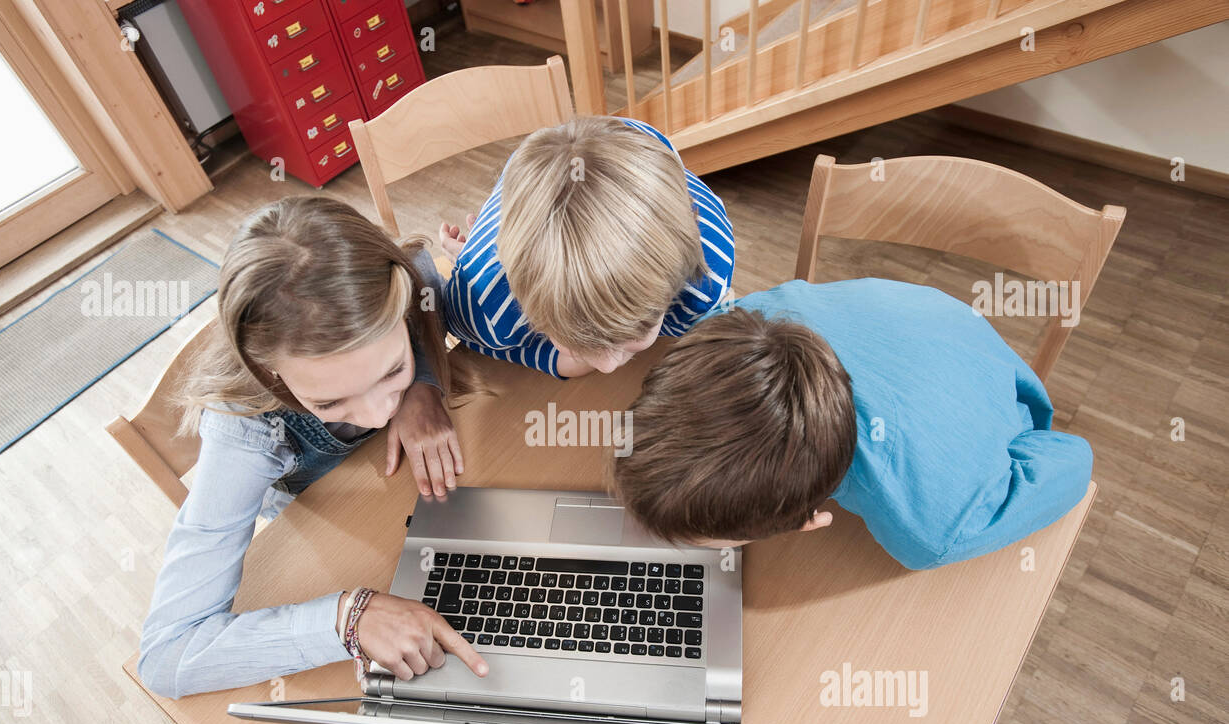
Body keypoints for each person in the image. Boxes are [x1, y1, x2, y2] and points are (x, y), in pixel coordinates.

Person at [139, 196, 487, 699]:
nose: (375, 415)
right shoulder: (244, 435)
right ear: (266, 371)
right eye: (329, 400)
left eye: (390, 368)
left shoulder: (400, 283)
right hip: (319, 527)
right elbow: (167, 658)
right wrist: (346, 617)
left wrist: (422, 385)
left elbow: (422, 273)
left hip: (390, 504)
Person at [610, 277, 1094, 570]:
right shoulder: (735, 325)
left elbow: (1073, 455)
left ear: (809, 521)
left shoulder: (935, 528)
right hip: (913, 316)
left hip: (985, 394)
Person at [440, 115, 734, 378]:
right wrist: (562, 362)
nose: (606, 367)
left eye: (640, 328)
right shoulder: (482, 304)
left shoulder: (710, 272)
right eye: (573, 342)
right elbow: (474, 339)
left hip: (633, 143)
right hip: (525, 196)